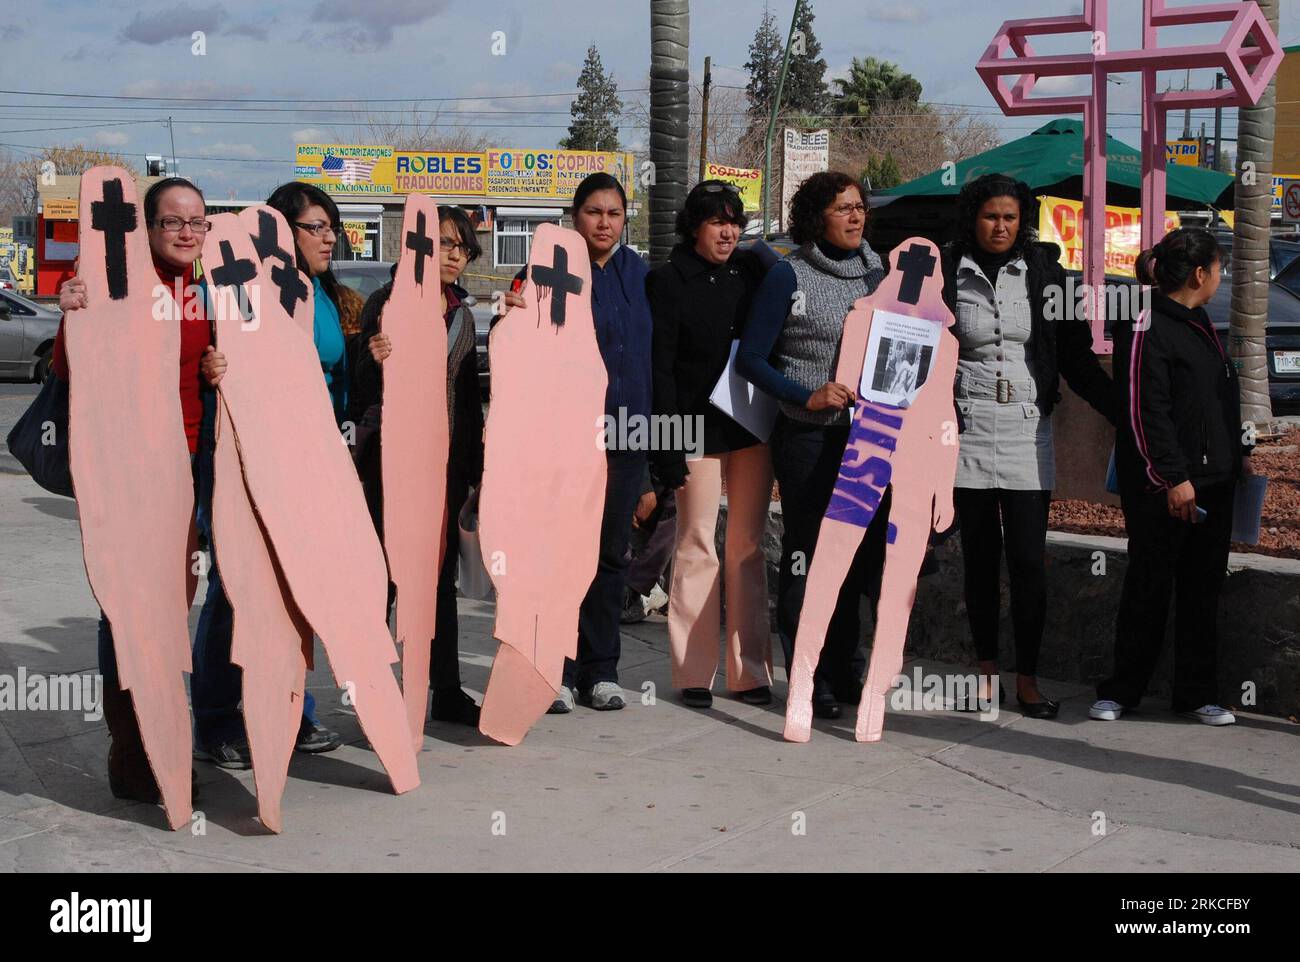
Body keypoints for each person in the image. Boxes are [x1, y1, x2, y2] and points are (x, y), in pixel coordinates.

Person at [55, 177, 213, 802]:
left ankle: (167, 736)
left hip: (191, 464)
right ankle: (134, 750)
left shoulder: (208, 292)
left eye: (197, 221)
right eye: (173, 221)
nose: (186, 232)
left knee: (173, 607)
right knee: (125, 607)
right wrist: (73, 314)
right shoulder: (111, 283)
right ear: (145, 228)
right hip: (125, 464)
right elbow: (72, 369)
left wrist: (218, 369)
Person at [197, 181, 363, 763]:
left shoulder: (318, 291)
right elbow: (202, 343)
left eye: (331, 227)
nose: (329, 237)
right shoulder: (239, 283)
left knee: (300, 582)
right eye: (315, 227)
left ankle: (293, 710)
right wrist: (209, 364)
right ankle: (216, 719)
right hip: (245, 453)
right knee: (236, 586)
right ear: (279, 232)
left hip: (311, 457)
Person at [940, 174, 1115, 719]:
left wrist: (1125, 412)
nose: (1000, 226)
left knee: (1027, 563)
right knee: (980, 563)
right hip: (964, 432)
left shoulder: (1047, 274)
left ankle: (1029, 681)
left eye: (1010, 217)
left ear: (1024, 221)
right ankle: (987, 675)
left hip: (1026, 433)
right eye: (991, 216)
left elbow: (1077, 359)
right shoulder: (945, 272)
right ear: (974, 218)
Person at [497, 172, 651, 713]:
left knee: (611, 555)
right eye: (593, 212)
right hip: (563, 440)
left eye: (613, 213)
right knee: (560, 556)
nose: (604, 222)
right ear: (574, 216)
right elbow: (512, 338)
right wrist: (507, 314)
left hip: (627, 436)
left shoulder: (638, 272)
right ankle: (554, 669)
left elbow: (648, 359)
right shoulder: (545, 269)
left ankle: (600, 671)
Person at [736, 170, 887, 720]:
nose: (855, 217)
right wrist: (807, 395)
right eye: (842, 208)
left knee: (857, 555)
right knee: (808, 554)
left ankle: (846, 666)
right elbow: (751, 359)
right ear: (816, 217)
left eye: (859, 207)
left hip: (871, 439)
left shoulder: (880, 273)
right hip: (807, 438)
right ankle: (810, 672)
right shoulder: (788, 275)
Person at [1093, 227, 1250, 726]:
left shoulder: (1201, 322)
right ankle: (1122, 691)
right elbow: (1143, 409)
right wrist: (1171, 477)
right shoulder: (1145, 324)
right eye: (1219, 270)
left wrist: (1237, 454)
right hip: (1166, 487)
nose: (1220, 279)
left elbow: (1217, 398)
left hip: (1215, 483)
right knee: (1149, 586)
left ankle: (1197, 693)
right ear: (1200, 273)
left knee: (1202, 591)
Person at [349, 205, 485, 726]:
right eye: (447, 244)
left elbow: (468, 399)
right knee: (386, 575)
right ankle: (376, 685)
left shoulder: (463, 315)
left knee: (437, 578)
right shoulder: (386, 302)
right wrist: (373, 355)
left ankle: (444, 688)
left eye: (464, 248)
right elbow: (361, 391)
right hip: (390, 463)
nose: (456, 256)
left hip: (444, 467)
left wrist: (473, 472)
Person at [647, 180, 773, 709]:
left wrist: (760, 250)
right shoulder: (666, 280)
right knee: (696, 545)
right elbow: (661, 370)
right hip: (691, 428)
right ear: (693, 226)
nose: (728, 232)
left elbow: (782, 276)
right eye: (716, 221)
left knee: (747, 548)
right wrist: (665, 446)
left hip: (750, 428)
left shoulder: (751, 273)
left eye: (735, 222)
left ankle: (750, 673)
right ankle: (693, 672)